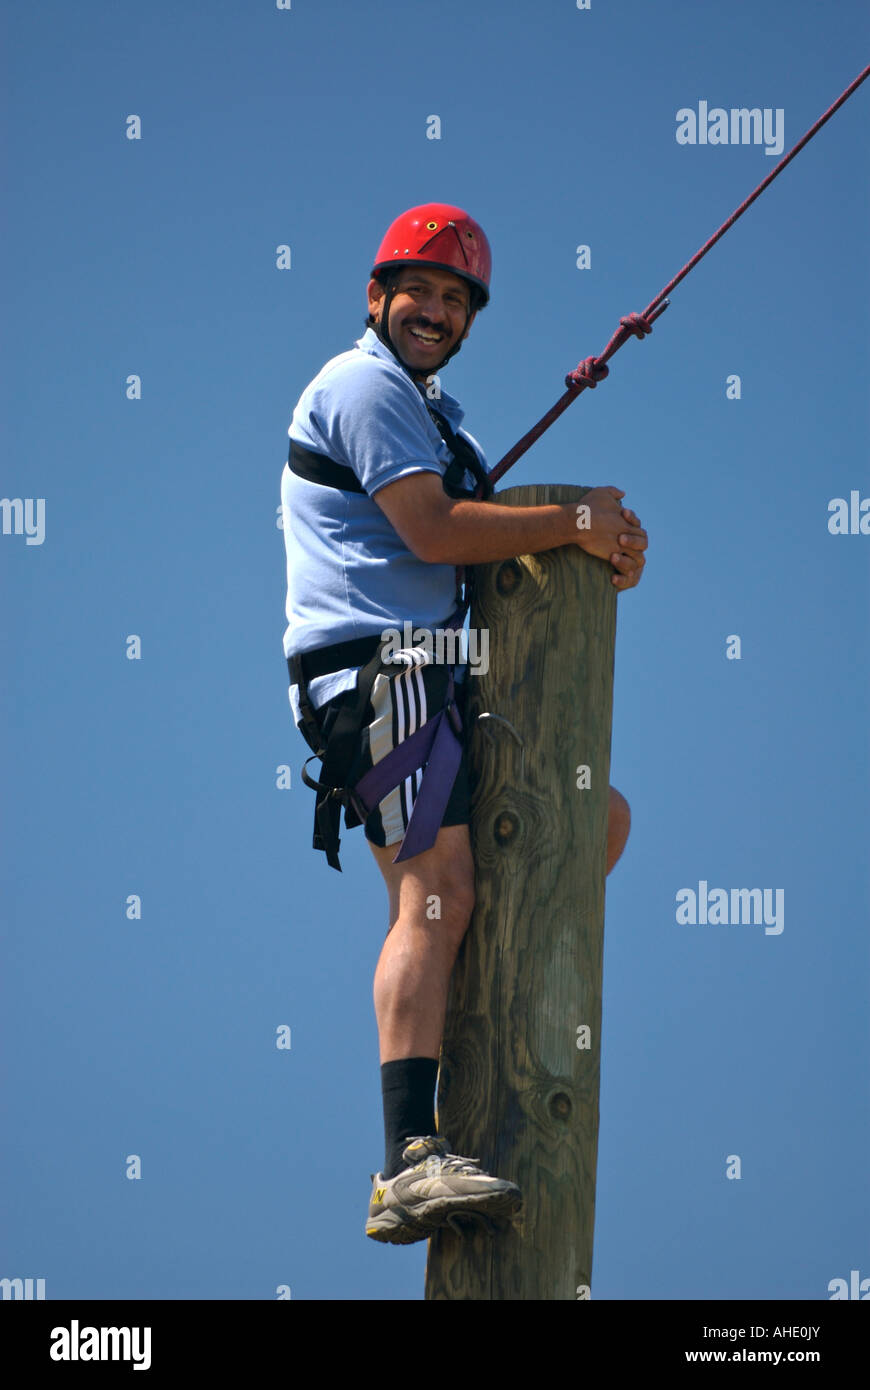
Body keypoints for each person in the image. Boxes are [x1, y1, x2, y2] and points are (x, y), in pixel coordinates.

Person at [279, 203, 647, 1245]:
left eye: (455, 299)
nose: (436, 312)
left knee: (583, 824)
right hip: (376, 670)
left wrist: (599, 549)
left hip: (442, 673)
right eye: (421, 293)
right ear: (376, 298)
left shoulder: (443, 419)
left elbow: (488, 546)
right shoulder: (360, 388)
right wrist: (574, 521)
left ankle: (465, 1051)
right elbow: (436, 531)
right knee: (436, 889)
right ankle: (406, 1161)